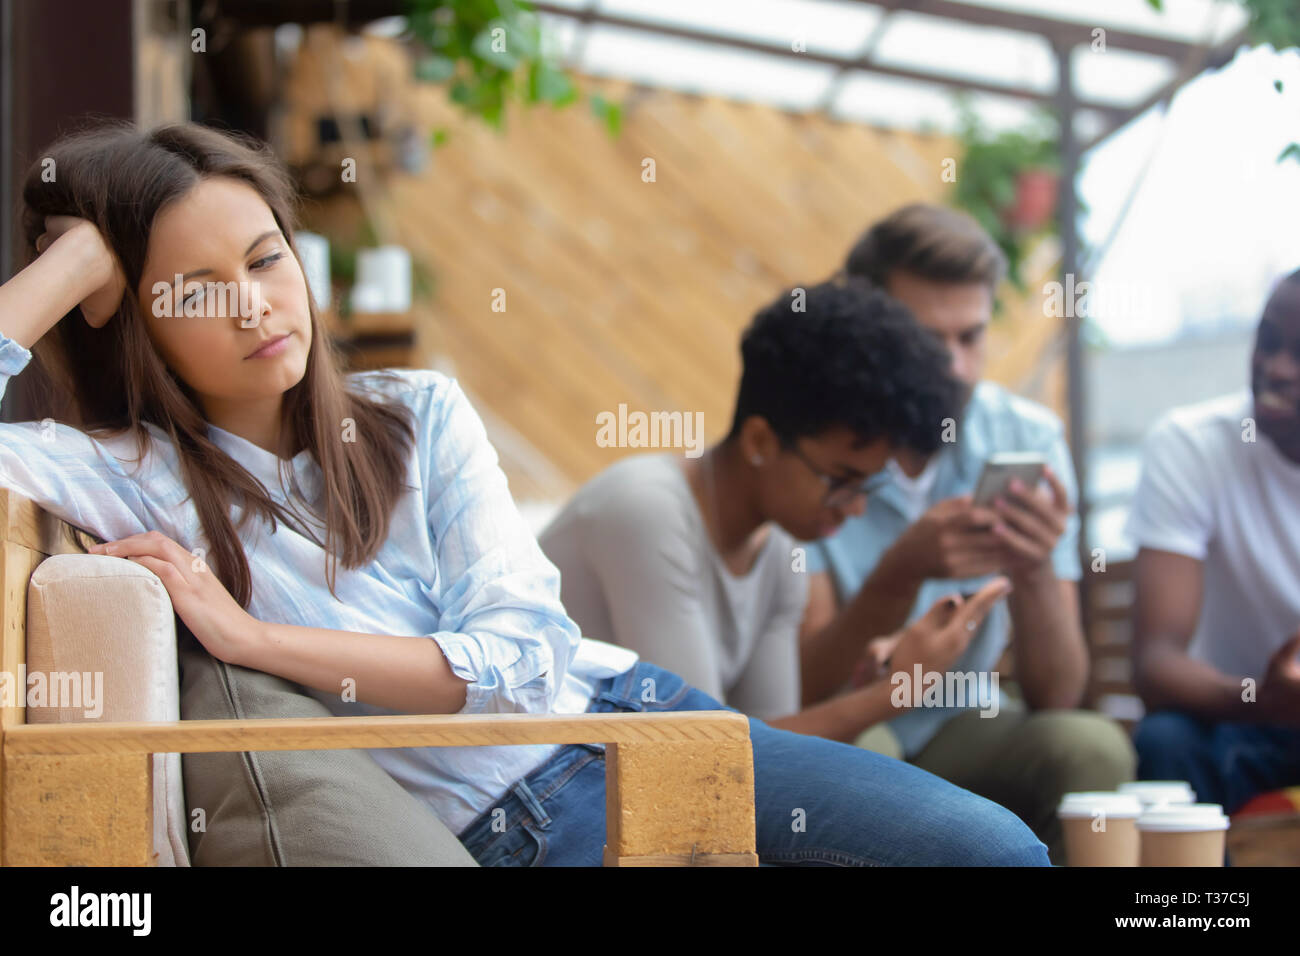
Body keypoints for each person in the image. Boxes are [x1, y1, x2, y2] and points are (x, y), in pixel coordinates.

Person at [0, 120, 1048, 866]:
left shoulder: (416, 412)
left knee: (994, 848)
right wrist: (78, 261)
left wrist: (255, 640)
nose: (254, 307)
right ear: (136, 324)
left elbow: (518, 659)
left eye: (267, 258)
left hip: (636, 716)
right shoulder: (123, 473)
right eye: (193, 290)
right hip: (514, 826)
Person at [541, 277, 1017, 746]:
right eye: (840, 481)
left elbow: (767, 747)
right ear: (760, 442)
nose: (855, 508)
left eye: (869, 484)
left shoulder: (780, 550)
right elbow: (702, 751)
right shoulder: (645, 510)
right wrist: (894, 693)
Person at [799, 204, 1134, 864]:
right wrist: (899, 572)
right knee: (858, 762)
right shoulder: (815, 447)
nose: (953, 366)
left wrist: (1035, 570)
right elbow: (806, 686)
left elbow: (1057, 692)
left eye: (971, 337)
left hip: (964, 719)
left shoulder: (1026, 439)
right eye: (929, 342)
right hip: (850, 722)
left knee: (1092, 746)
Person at [1127, 269, 1300, 814]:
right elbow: (1156, 663)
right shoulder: (1192, 446)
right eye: (1268, 342)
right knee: (1167, 741)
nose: (1276, 369)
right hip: (1247, 721)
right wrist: (1264, 700)